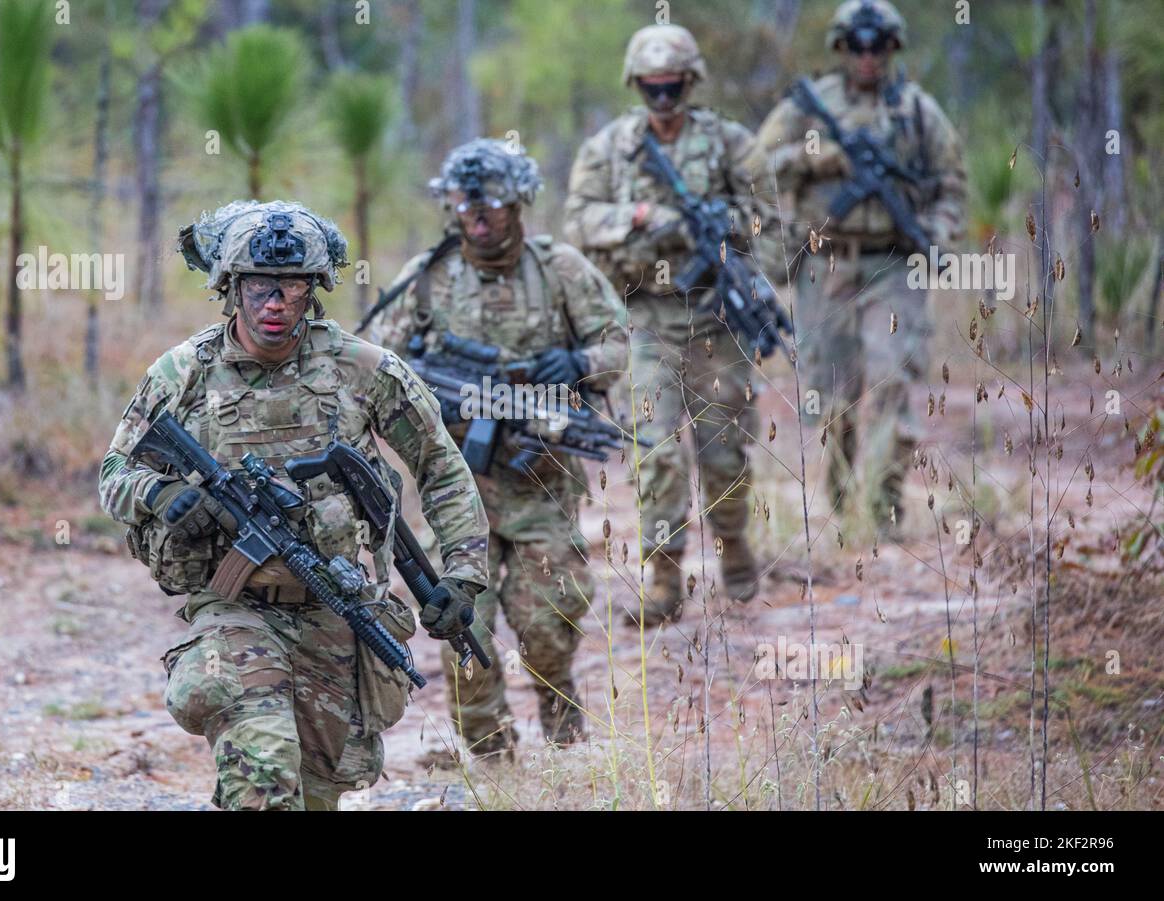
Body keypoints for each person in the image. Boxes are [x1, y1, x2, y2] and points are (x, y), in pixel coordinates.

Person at [98, 200, 489, 809]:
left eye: (292, 287)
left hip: (333, 610)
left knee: (316, 793)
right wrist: (163, 494)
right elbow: (115, 474)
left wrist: (461, 575)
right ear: (230, 288)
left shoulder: (365, 371)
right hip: (233, 609)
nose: (275, 302)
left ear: (315, 291)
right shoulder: (183, 373)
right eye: (259, 286)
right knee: (263, 770)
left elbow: (441, 469)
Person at [367, 139, 628, 757]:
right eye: (463, 203)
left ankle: (565, 733)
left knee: (548, 622)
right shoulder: (428, 276)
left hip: (541, 479)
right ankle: (491, 757)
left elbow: (618, 344)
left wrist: (575, 361)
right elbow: (377, 362)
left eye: (490, 203)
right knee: (462, 629)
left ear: (519, 204)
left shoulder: (558, 269)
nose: (476, 215)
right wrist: (436, 400)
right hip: (454, 491)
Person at [563, 24, 772, 624]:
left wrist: (714, 219)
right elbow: (577, 221)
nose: (662, 98)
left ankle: (735, 556)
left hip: (717, 314)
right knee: (654, 451)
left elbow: (772, 217)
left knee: (725, 453)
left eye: (672, 85)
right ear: (637, 85)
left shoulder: (731, 144)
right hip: (645, 317)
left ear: (690, 82)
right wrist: (638, 215)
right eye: (651, 87)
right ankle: (664, 580)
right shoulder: (609, 149)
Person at [755, 0, 966, 531]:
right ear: (841, 49)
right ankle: (840, 504)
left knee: (893, 379)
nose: (868, 57)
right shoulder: (807, 109)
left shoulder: (917, 112)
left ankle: (885, 507)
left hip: (893, 266)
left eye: (878, 46)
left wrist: (934, 234)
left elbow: (951, 183)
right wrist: (817, 158)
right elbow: (756, 166)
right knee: (832, 395)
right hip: (826, 266)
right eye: (857, 46)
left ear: (892, 49)